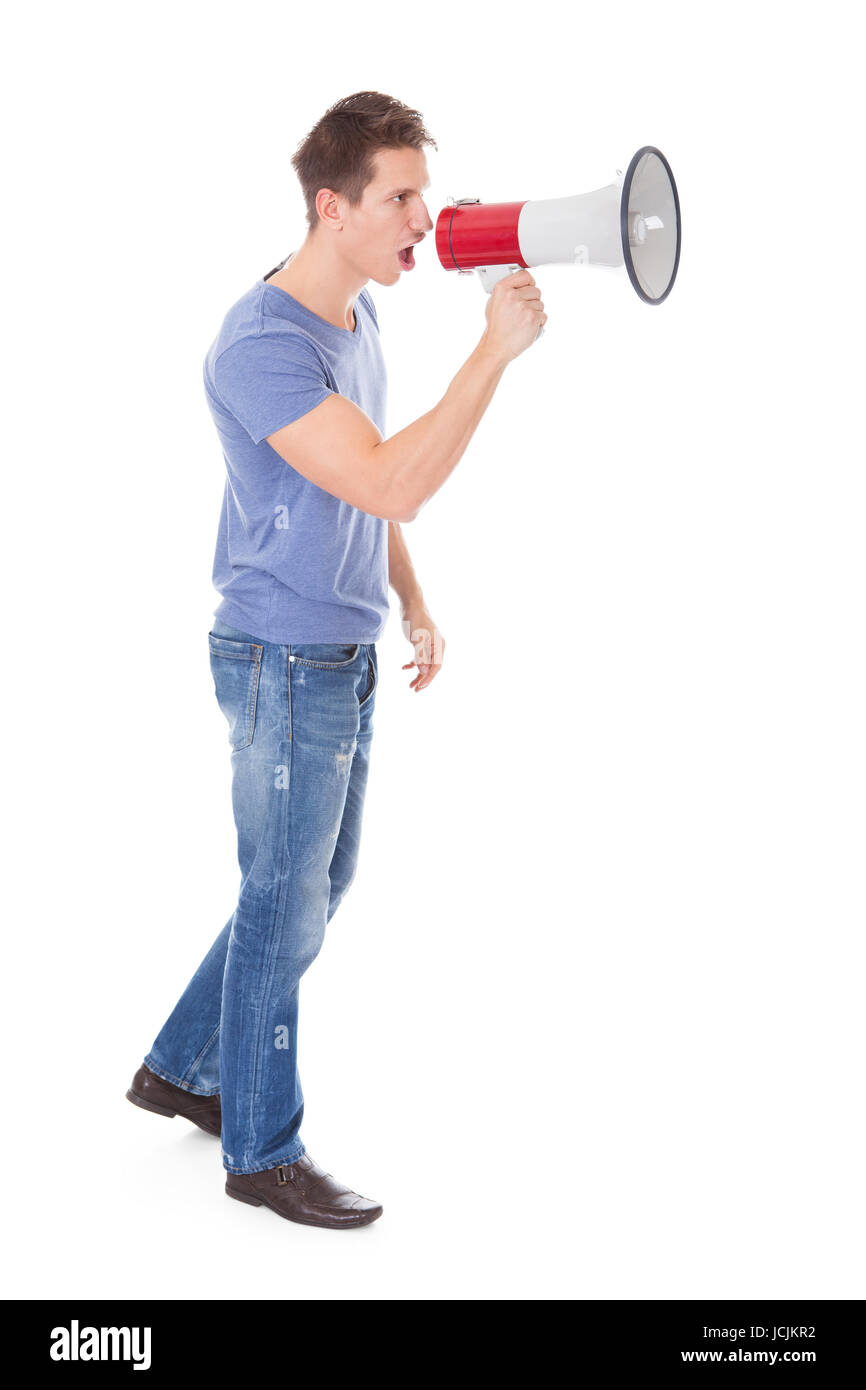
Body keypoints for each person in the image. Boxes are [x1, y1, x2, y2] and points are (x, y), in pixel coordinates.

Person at [125, 91, 547, 1230]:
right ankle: (261, 1148)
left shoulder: (359, 316)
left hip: (340, 647)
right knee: (282, 899)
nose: (426, 217)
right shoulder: (260, 345)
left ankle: (180, 1066)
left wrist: (411, 601)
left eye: (422, 192)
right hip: (278, 655)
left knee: (307, 891)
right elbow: (391, 476)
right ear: (332, 205)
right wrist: (493, 356)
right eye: (400, 197)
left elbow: (370, 476)